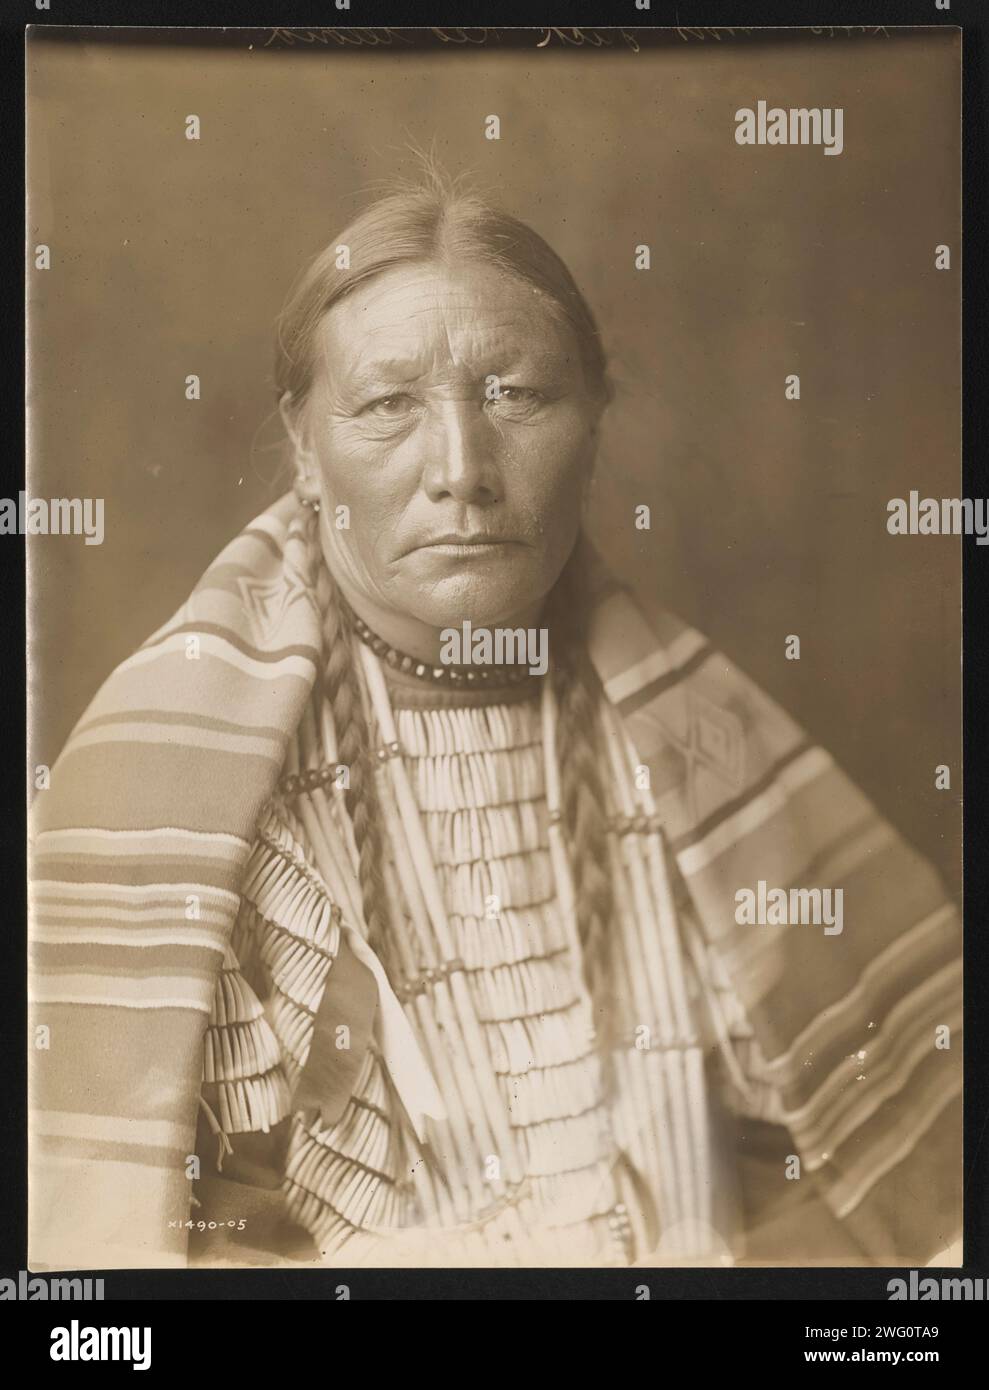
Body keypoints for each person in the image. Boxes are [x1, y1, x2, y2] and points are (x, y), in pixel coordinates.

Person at [28, 169, 962, 1271]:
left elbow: (844, 1182)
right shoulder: (163, 786)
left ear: (596, 417)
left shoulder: (700, 747)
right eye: (386, 406)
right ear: (301, 443)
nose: (461, 472)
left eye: (516, 395)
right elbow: (121, 1251)